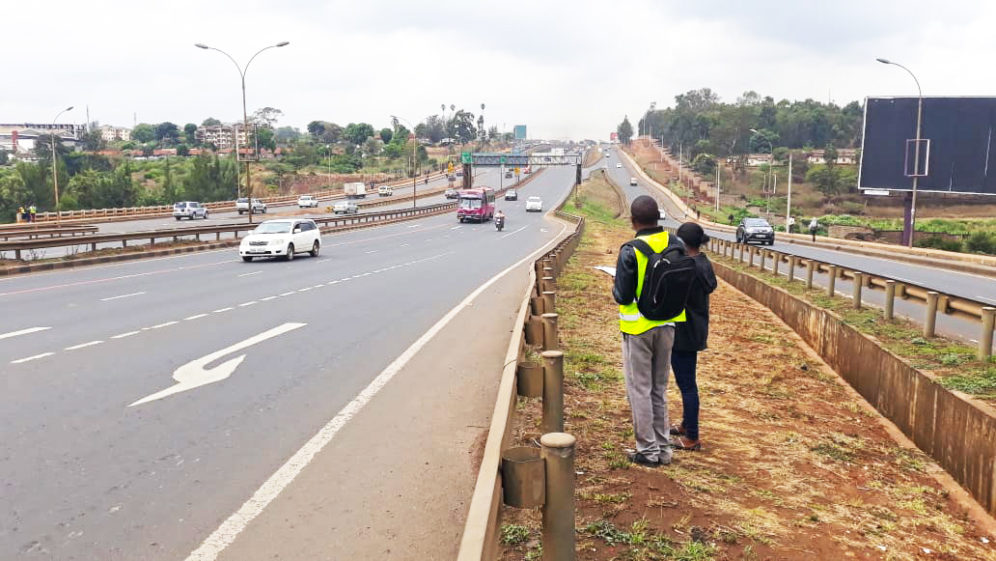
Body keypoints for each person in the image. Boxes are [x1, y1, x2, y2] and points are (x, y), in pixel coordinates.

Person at [612, 195, 687, 467]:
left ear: (633, 221)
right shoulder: (675, 243)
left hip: (638, 328)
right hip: (668, 324)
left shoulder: (630, 250)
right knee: (659, 388)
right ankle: (664, 449)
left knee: (639, 389)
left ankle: (647, 450)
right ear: (659, 218)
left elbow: (622, 295)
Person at [669, 222, 717, 451]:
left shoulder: (689, 267)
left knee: (687, 384)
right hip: (696, 328)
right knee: (687, 380)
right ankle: (687, 425)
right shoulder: (703, 263)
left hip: (684, 331)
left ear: (682, 243)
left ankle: (693, 437)